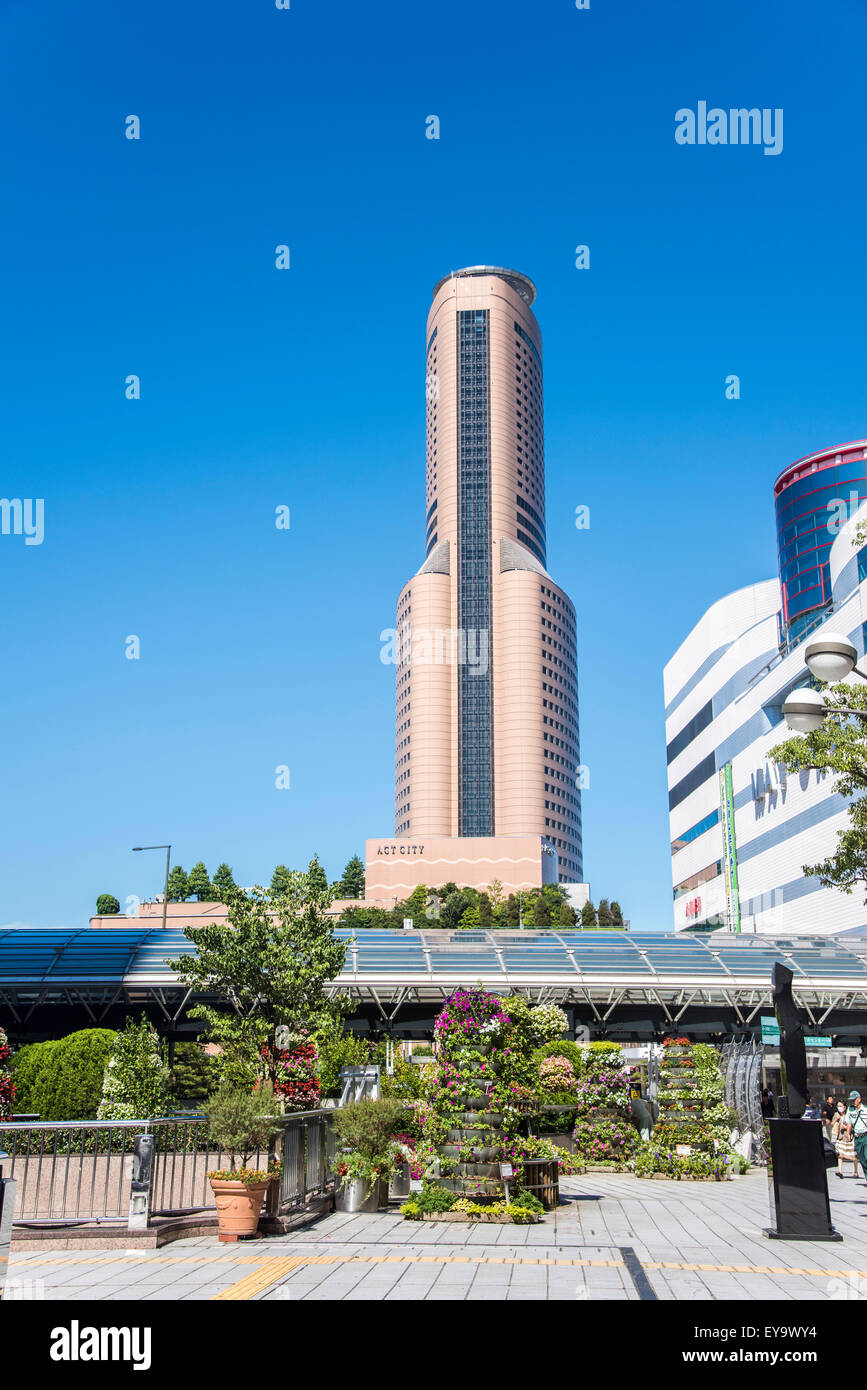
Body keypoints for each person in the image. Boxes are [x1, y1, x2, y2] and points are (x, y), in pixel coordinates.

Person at [844, 1090, 867, 1180]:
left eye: (854, 1099)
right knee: (862, 1160)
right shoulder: (850, 1109)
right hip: (857, 1138)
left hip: (865, 1136)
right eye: (851, 1100)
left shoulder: (865, 1109)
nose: (852, 1102)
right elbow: (849, 1123)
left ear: (859, 1099)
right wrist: (848, 1133)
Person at [831, 1102, 856, 1178]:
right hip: (840, 1137)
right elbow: (832, 1124)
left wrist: (845, 1128)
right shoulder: (836, 1114)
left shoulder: (849, 1114)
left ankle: (856, 1172)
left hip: (849, 1137)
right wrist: (836, 1119)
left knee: (853, 1155)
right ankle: (840, 1172)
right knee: (840, 1155)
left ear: (845, 1107)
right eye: (838, 1106)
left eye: (840, 1106)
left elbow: (854, 1125)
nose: (839, 1107)